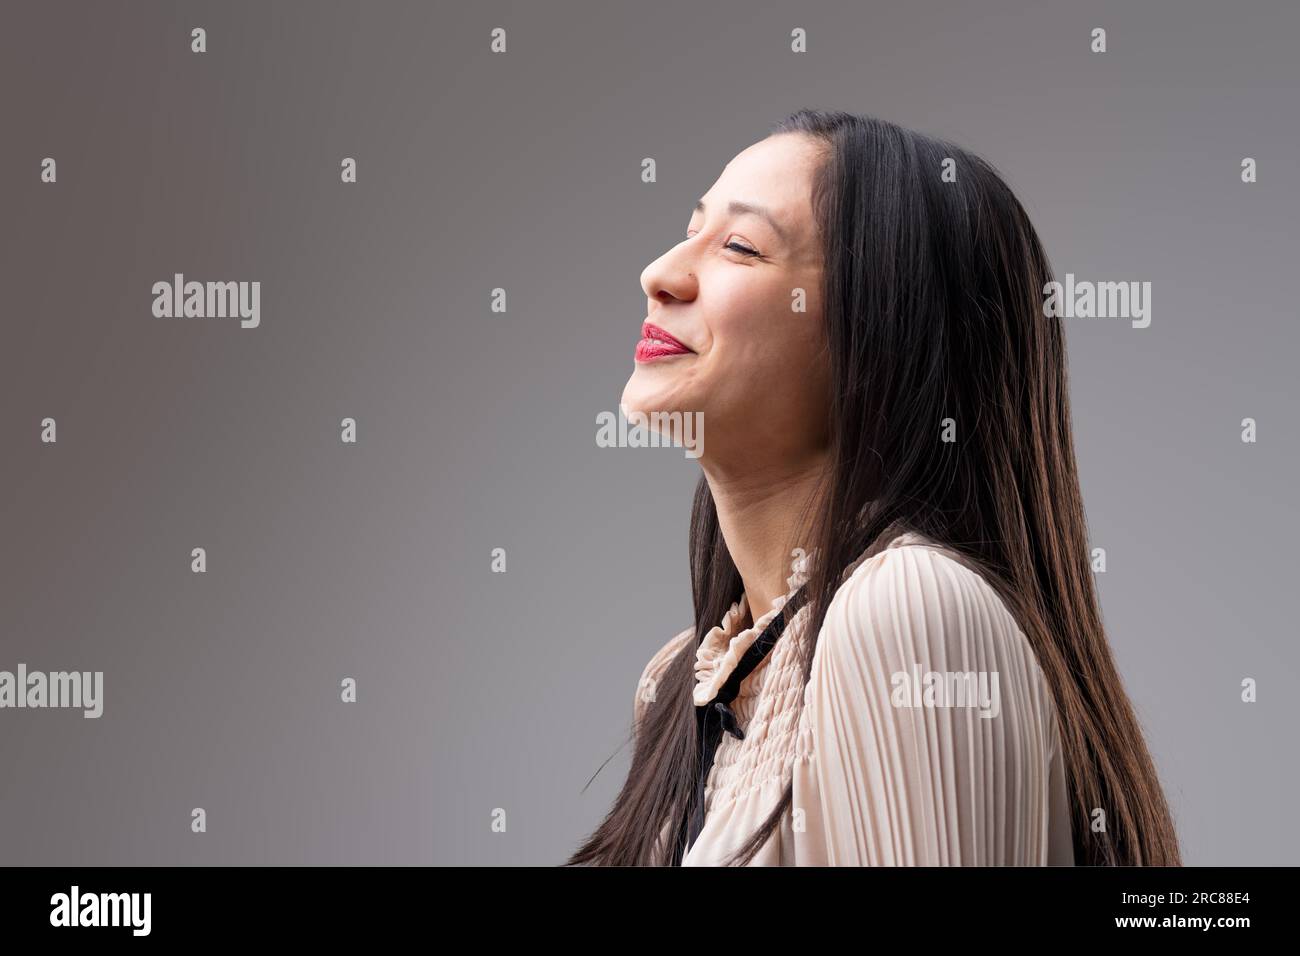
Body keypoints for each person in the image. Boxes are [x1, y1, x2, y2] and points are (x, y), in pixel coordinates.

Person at [567, 109, 1181, 867]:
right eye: (690, 229)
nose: (659, 273)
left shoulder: (907, 608)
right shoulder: (681, 688)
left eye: (738, 246)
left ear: (879, 335)